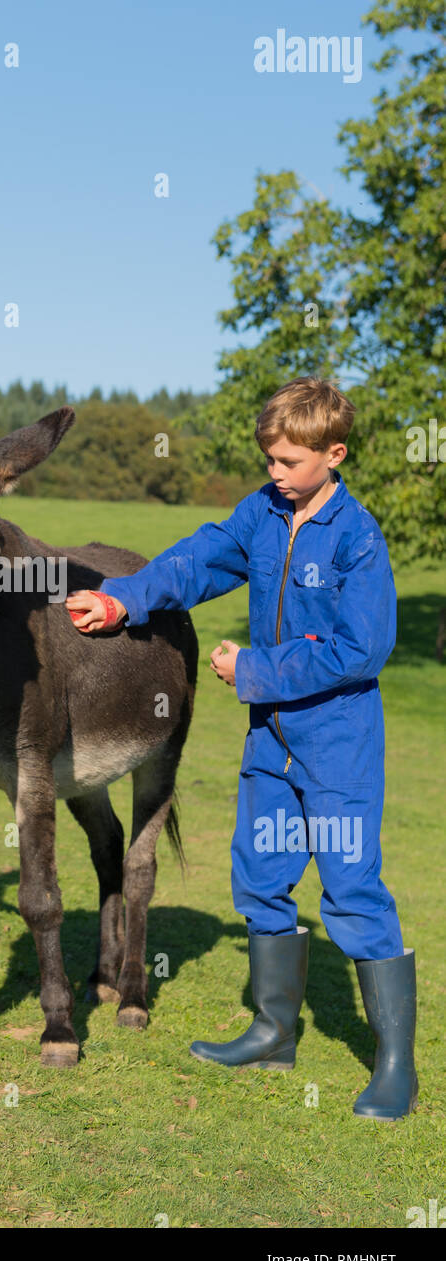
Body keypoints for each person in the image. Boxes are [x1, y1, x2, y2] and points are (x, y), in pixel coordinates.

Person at [65, 377, 417, 1121]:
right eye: (269, 460)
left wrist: (251, 668)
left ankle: (394, 1068)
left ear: (333, 454)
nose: (275, 474)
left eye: (289, 462)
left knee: (352, 892)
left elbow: (360, 650)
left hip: (338, 744)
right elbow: (196, 562)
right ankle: (272, 1031)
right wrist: (123, 597)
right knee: (259, 879)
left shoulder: (358, 539)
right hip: (270, 744)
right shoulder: (262, 514)